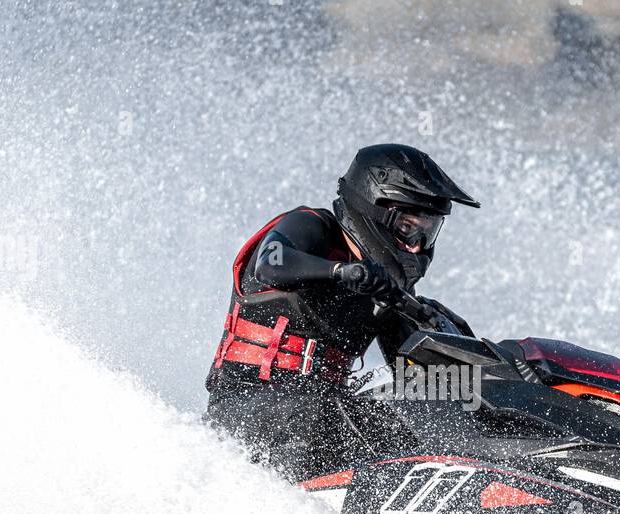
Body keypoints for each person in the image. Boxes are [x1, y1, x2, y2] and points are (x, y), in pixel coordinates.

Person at [204, 144, 479, 480]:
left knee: (406, 430)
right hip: (245, 409)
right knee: (322, 415)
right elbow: (271, 264)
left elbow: (416, 380)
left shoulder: (387, 295)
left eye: (427, 231)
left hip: (319, 414)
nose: (416, 246)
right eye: (408, 228)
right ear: (373, 207)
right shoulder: (312, 228)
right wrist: (341, 273)